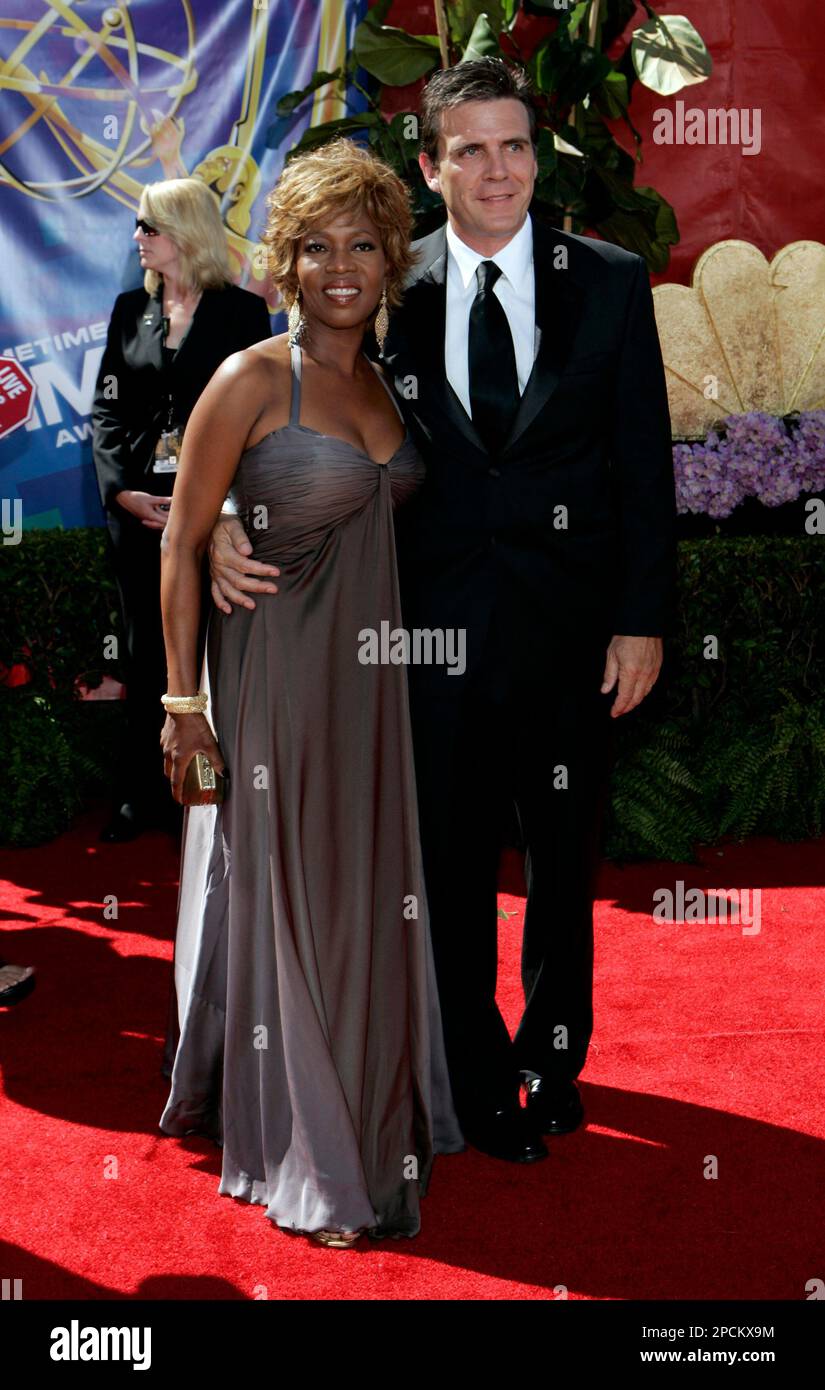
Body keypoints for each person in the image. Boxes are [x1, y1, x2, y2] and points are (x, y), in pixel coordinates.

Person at [209, 60, 678, 1166]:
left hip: (574, 641)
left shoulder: (608, 280)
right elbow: (284, 389)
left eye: (513, 144)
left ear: (537, 157)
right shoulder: (384, 284)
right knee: (451, 878)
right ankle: (475, 1080)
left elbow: (643, 466)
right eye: (468, 149)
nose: (496, 168)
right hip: (424, 642)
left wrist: (643, 617)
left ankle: (553, 1058)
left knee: (564, 870)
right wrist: (229, 506)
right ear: (431, 167)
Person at [157, 139, 462, 1246]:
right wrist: (182, 705)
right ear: (285, 262)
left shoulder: (391, 377)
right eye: (319, 246)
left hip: (377, 691)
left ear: (391, 262)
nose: (344, 266)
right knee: (293, 892)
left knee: (368, 897)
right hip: (277, 681)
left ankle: (376, 1105)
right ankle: (315, 1143)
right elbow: (184, 541)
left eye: (366, 245)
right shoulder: (252, 377)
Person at [91, 177, 271, 842]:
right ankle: (143, 796)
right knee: (147, 653)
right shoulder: (125, 311)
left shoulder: (243, 316)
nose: (137, 238)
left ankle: (209, 791)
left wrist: (221, 502)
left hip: (215, 511)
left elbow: (258, 420)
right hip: (139, 508)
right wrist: (120, 491)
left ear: (184, 232)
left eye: (149, 227)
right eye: (138, 227)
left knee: (215, 653)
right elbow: (107, 408)